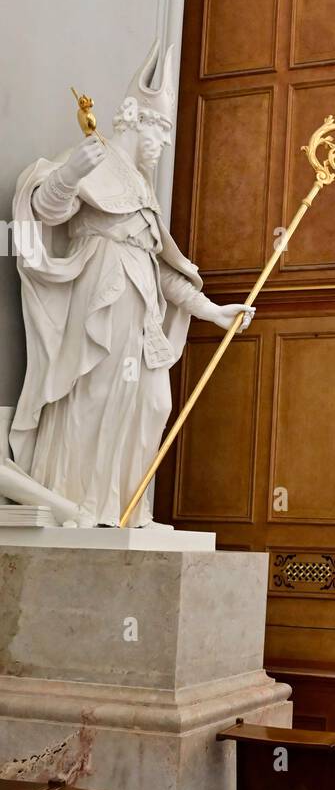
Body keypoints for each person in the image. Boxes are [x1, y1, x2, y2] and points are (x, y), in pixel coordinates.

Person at [10, 41, 254, 527]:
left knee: (153, 401)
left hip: (142, 308)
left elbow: (162, 265)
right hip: (103, 292)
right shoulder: (94, 159)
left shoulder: (143, 187)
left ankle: (126, 507)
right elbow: (46, 211)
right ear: (135, 122)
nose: (162, 144)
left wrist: (210, 309)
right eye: (160, 131)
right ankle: (81, 502)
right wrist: (70, 175)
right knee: (96, 394)